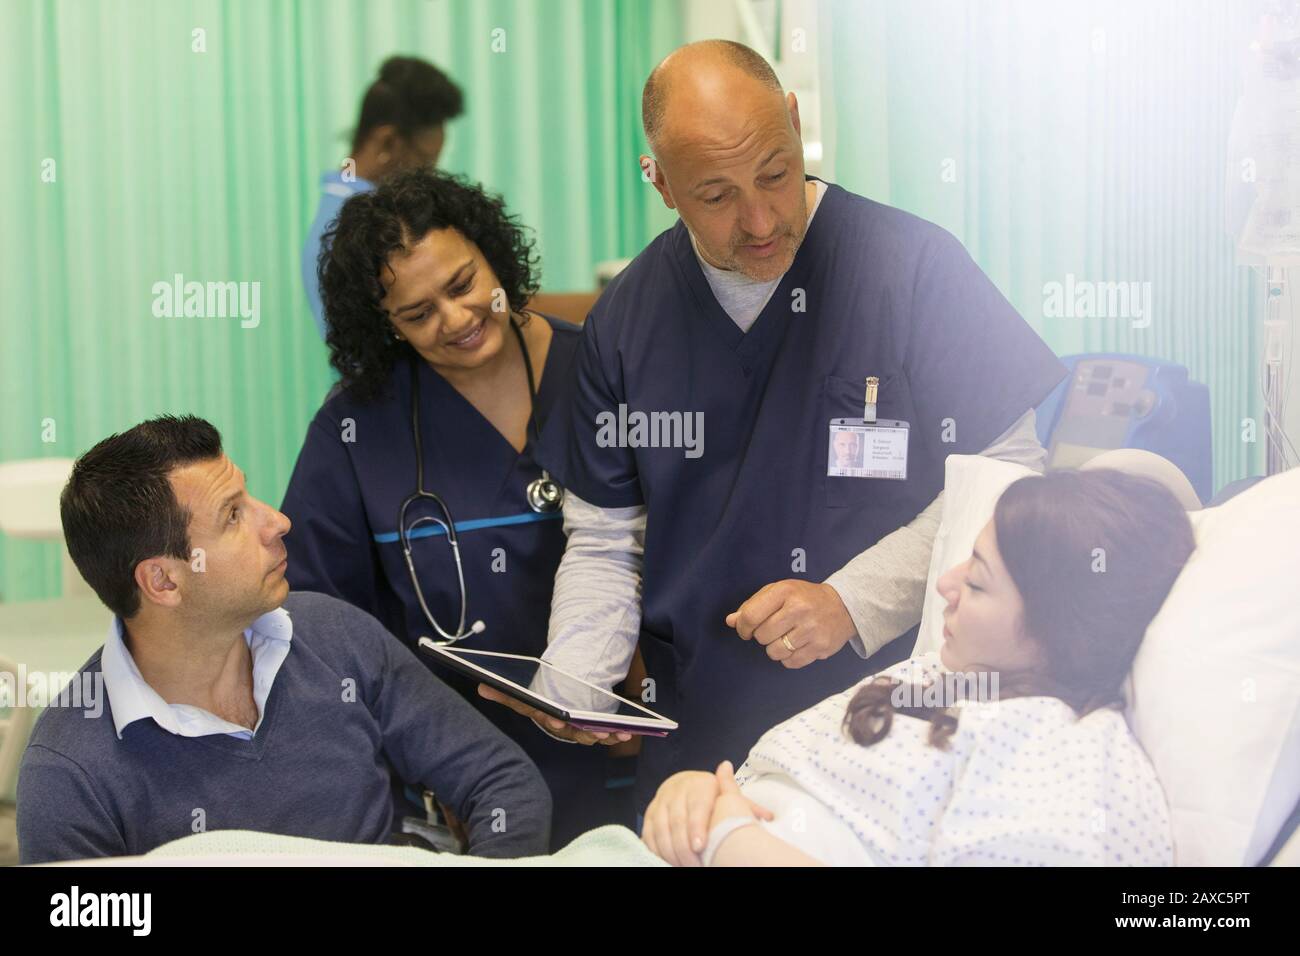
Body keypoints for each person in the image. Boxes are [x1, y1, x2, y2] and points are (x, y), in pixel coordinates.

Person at [485, 40, 1068, 815]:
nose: (760, 220)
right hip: (703, 750)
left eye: (774, 172)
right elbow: (604, 537)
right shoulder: (627, 320)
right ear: (657, 182)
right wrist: (578, 679)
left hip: (892, 731)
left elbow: (1008, 476)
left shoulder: (911, 268)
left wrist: (853, 601)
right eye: (716, 195)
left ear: (794, 125)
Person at [16, 416, 550, 863]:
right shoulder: (70, 774)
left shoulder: (336, 637)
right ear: (163, 581)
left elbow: (505, 784)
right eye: (232, 515)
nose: (277, 521)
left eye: (248, 496)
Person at [281, 170, 630, 848]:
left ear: (492, 252)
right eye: (417, 314)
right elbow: (317, 621)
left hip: (626, 756)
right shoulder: (357, 430)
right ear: (383, 325)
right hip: (461, 784)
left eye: (463, 283)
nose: (456, 320)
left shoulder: (605, 372)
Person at [642, 469, 1197, 866]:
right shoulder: (935, 677)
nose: (945, 586)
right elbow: (764, 785)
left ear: (1059, 628)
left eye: (978, 583)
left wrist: (732, 841)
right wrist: (694, 797)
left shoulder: (1063, 756)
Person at [302, 56, 464, 338]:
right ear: (387, 142)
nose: (427, 178)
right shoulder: (351, 229)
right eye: (425, 163)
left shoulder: (340, 210)